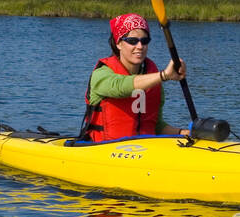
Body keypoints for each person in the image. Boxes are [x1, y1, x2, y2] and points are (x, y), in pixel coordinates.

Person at [79, 13, 190, 142]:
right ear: (118, 43)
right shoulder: (102, 74)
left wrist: (183, 132)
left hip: (143, 151)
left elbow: (156, 126)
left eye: (144, 41)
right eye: (132, 41)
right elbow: (121, 86)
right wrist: (164, 75)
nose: (140, 46)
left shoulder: (151, 78)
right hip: (104, 150)